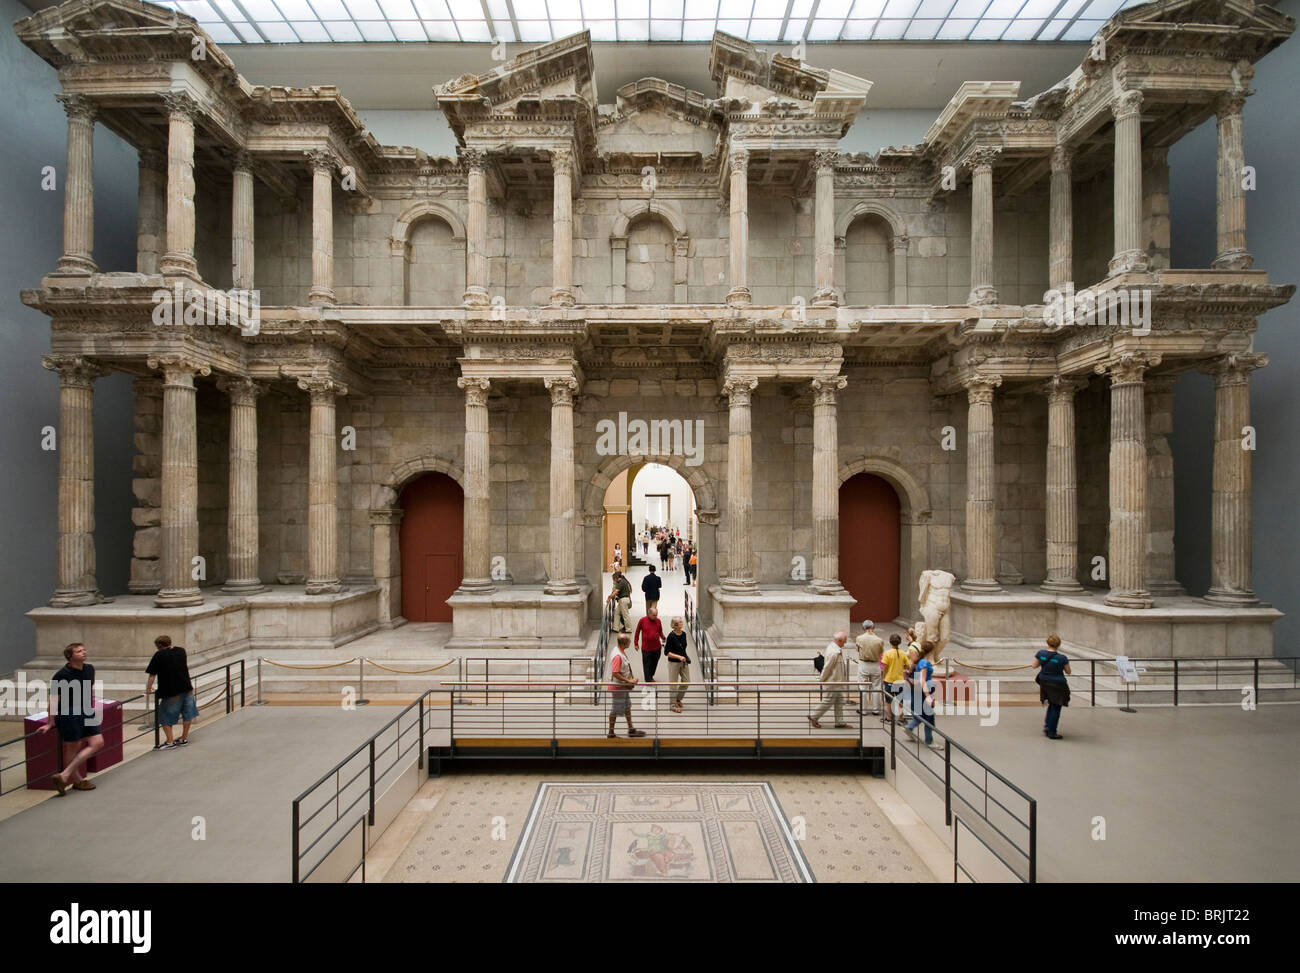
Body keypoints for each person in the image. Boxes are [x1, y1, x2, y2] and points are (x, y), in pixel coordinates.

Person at [36, 643, 104, 795]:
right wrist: (50, 721)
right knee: (74, 746)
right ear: (70, 656)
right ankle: (78, 781)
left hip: (87, 710)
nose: (84, 652)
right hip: (69, 713)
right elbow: (54, 699)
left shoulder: (89, 669)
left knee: (98, 742)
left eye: (84, 650)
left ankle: (64, 774)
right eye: (79, 651)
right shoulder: (61, 675)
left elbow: (89, 688)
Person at [145, 634, 197, 750]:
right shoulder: (181, 651)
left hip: (171, 691)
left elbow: (152, 675)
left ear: (159, 646)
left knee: (165, 716)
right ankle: (183, 738)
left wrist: (148, 689)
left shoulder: (159, 655)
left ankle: (170, 741)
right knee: (187, 714)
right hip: (187, 688)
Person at [807, 631, 850, 729]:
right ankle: (814, 716)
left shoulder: (834, 648)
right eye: (844, 641)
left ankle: (840, 722)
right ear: (839, 640)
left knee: (839, 701)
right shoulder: (834, 652)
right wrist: (821, 680)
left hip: (837, 681)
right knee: (828, 700)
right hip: (833, 682)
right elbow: (827, 668)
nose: (845, 643)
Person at [1033, 634, 1072, 740]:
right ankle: (1052, 731)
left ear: (1048, 643)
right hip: (1058, 685)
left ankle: (1047, 727)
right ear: (1058, 645)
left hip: (1045, 683)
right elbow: (1068, 671)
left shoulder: (1041, 654)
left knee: (1051, 704)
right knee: (1056, 707)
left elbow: (1034, 666)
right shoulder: (1062, 658)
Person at [608, 633, 646, 739]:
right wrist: (628, 681)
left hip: (623, 687)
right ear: (624, 643)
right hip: (618, 688)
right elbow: (615, 672)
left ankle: (631, 729)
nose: (630, 642)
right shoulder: (617, 656)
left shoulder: (619, 650)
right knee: (615, 710)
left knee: (627, 707)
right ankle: (611, 733)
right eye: (629, 641)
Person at [904, 642, 938, 747]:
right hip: (923, 692)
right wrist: (928, 696)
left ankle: (909, 727)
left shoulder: (920, 661)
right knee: (929, 716)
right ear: (932, 651)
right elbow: (922, 680)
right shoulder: (924, 662)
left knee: (921, 715)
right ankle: (929, 741)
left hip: (920, 691)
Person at [854, 619, 885, 716]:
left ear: (863, 628)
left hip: (864, 664)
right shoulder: (879, 640)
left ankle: (863, 709)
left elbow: (858, 650)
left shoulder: (859, 638)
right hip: (875, 664)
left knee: (863, 687)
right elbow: (881, 653)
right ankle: (876, 709)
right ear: (873, 627)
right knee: (876, 686)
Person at [880, 634, 910, 725]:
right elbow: (907, 665)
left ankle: (889, 718)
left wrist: (883, 677)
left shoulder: (887, 653)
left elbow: (884, 667)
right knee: (901, 700)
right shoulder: (903, 653)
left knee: (889, 700)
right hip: (900, 680)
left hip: (889, 679)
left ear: (890, 642)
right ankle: (901, 718)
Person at [664, 616, 690, 713]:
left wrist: (683, 657)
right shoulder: (671, 636)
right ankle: (672, 705)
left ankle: (678, 698)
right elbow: (667, 652)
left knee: (687, 681)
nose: (682, 623)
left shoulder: (684, 634)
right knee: (673, 684)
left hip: (683, 661)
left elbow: (683, 648)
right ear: (675, 625)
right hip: (673, 663)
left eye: (681, 621)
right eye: (680, 622)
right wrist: (679, 657)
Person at [634, 606, 665, 683]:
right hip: (646, 649)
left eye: (656, 615)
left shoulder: (658, 621)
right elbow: (637, 632)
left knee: (654, 664)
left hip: (657, 648)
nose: (656, 617)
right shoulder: (642, 620)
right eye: (654, 615)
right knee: (647, 665)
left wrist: (663, 637)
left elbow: (660, 631)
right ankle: (648, 680)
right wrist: (636, 643)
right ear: (649, 614)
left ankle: (650, 676)